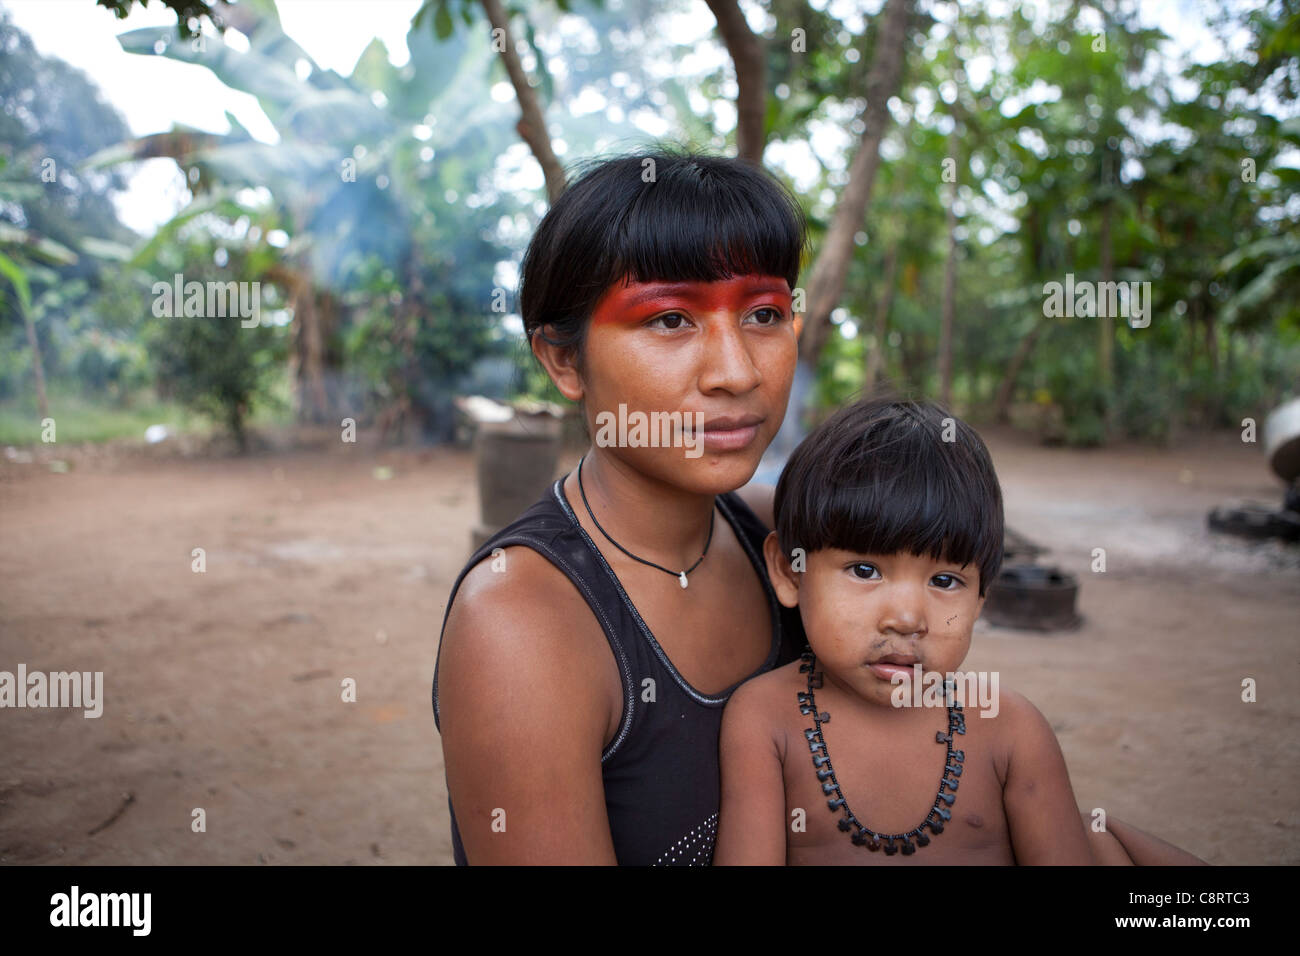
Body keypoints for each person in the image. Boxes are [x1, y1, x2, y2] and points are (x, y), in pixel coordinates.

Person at [431, 147, 811, 864]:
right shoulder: (521, 622)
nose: (736, 372)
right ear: (563, 361)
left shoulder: (783, 539)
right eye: (670, 320)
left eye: (764, 312)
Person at [714, 397, 1207, 865]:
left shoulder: (1011, 731)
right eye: (864, 571)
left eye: (946, 581)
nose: (907, 619)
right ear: (788, 571)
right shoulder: (764, 720)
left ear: (980, 599)